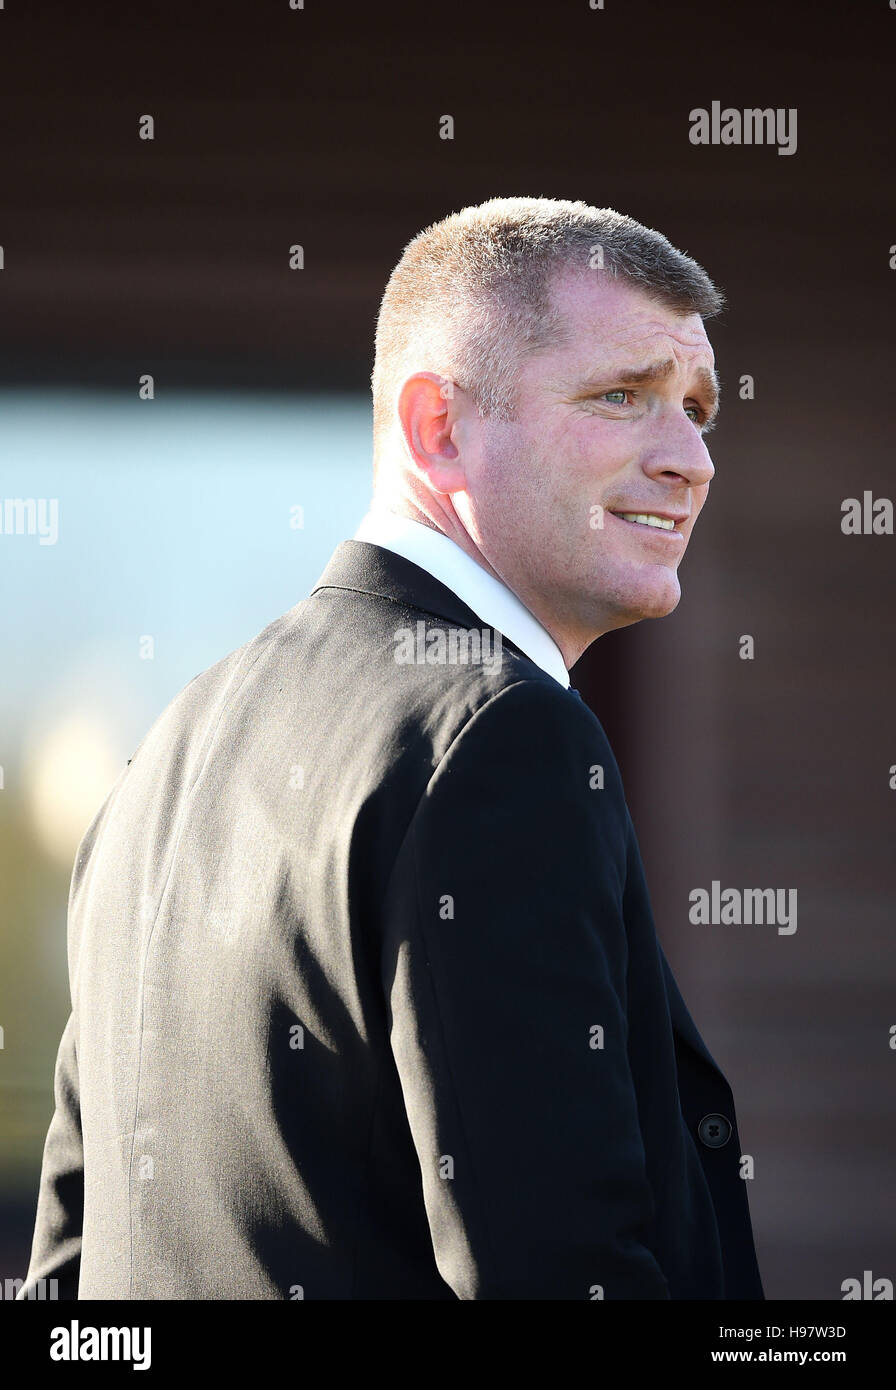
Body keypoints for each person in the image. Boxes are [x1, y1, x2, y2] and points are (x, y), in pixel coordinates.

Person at [20, 196, 763, 1300]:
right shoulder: (500, 736)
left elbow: (68, 1288)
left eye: (697, 409)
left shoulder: (162, 755)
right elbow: (556, 1271)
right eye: (622, 396)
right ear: (436, 426)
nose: (687, 459)